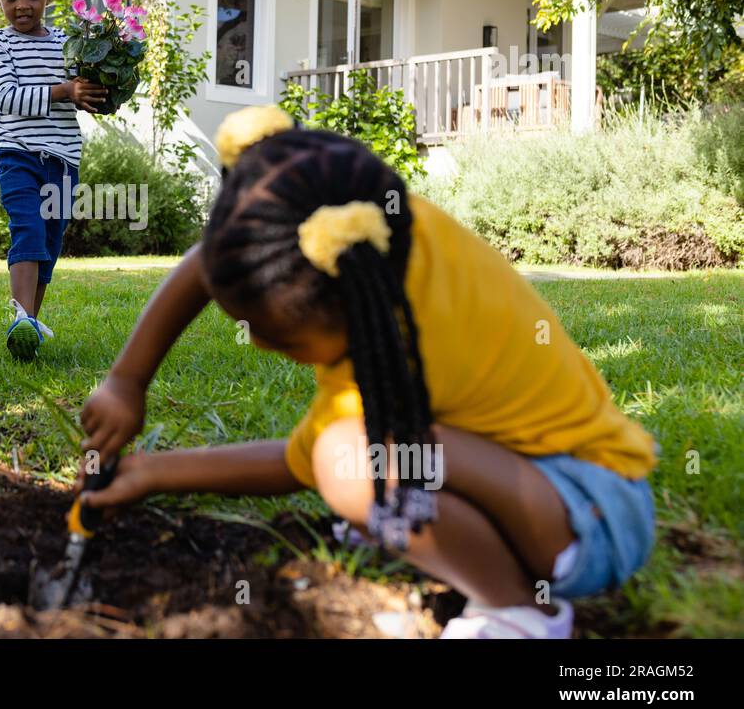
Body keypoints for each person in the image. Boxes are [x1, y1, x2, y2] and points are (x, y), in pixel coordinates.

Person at [77, 105, 658, 637]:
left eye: (272, 333)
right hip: (564, 489)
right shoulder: (375, 232)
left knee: (347, 462)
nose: (254, 341)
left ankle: (518, 612)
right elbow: (226, 249)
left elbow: (296, 464)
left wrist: (155, 472)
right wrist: (127, 379)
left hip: (592, 524)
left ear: (343, 317)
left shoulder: (395, 353)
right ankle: (437, 535)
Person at [0, 0, 106, 360]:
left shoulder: (66, 45)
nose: (22, 6)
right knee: (29, 230)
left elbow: (79, 92)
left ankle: (29, 327)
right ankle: (20, 317)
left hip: (63, 159)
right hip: (17, 154)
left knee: (50, 243)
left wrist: (94, 93)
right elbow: (6, 96)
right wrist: (63, 92)